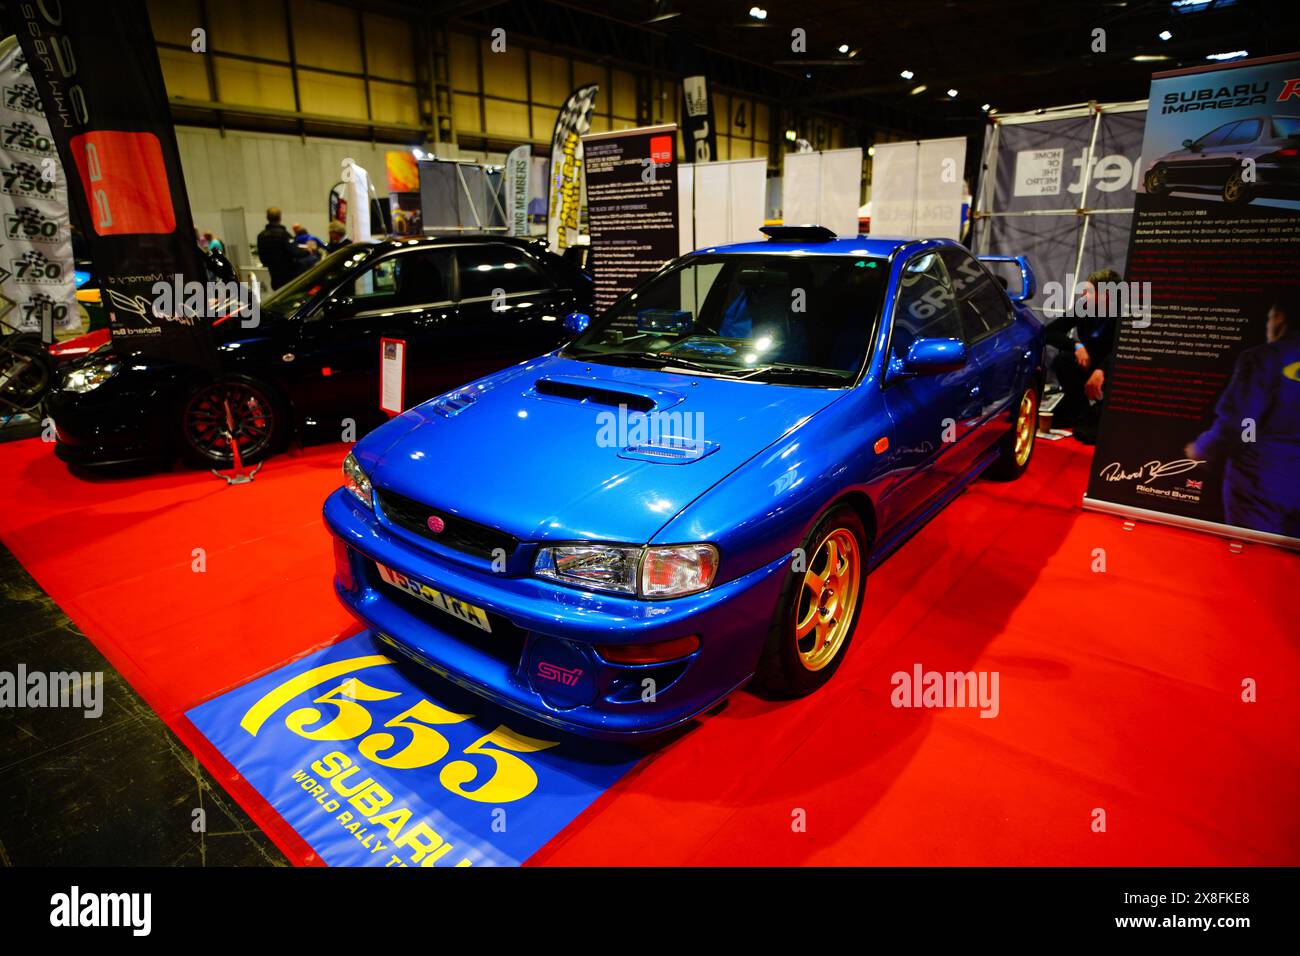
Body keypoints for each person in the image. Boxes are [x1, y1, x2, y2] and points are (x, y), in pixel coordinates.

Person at [1185, 290, 1300, 537]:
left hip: (1260, 483)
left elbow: (1242, 421)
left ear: (1279, 318)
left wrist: (1204, 449)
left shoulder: (1263, 358)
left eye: (1269, 318)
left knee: (1252, 560)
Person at [1046, 268, 1123, 444]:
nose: (1083, 294)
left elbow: (1122, 349)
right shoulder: (1084, 307)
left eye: (1089, 291)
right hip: (1089, 362)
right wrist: (1076, 345)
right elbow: (1050, 332)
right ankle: (1080, 413)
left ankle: (1097, 416)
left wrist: (1101, 370)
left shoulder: (1124, 311)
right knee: (1063, 360)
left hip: (1114, 368)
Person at [257, 208, 310, 289]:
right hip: (289, 279)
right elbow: (296, 253)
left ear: (267, 218)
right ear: (280, 218)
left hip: (274, 278)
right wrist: (308, 251)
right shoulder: (284, 235)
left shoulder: (261, 236)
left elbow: (263, 259)